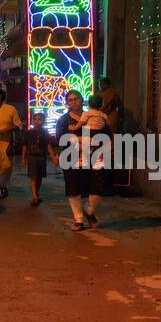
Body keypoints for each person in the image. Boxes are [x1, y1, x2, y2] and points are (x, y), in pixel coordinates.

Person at [55, 90, 112, 229]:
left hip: (93, 156)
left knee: (98, 186)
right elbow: (60, 138)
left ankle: (89, 210)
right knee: (74, 188)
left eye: (76, 99)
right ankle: (79, 219)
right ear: (68, 102)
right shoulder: (63, 120)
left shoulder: (95, 116)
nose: (74, 102)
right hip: (71, 157)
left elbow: (108, 134)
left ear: (82, 100)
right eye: (71, 100)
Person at [21, 112, 52, 206]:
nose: (37, 121)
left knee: (39, 177)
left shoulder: (46, 133)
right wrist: (23, 158)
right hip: (32, 157)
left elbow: (48, 146)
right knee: (33, 176)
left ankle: (36, 194)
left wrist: (53, 157)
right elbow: (24, 146)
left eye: (39, 119)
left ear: (43, 121)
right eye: (35, 119)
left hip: (42, 157)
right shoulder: (29, 132)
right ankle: (34, 196)